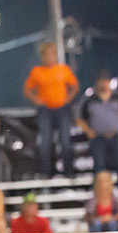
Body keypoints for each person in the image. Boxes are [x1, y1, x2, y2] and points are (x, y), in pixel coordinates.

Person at [24, 42, 80, 178]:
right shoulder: (37, 71)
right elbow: (27, 89)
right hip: (45, 110)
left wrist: (68, 98)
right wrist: (36, 100)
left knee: (65, 140)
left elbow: (74, 86)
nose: (49, 57)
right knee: (45, 142)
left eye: (52, 54)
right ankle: (45, 172)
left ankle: (68, 172)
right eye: (46, 55)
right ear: (42, 57)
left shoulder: (63, 69)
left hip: (62, 109)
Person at [76, 73, 118, 188]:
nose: (103, 83)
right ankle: (99, 191)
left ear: (109, 82)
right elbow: (78, 117)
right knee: (99, 166)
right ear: (96, 82)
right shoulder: (89, 99)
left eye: (105, 80)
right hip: (98, 137)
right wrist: (88, 131)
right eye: (100, 81)